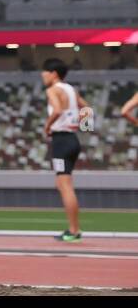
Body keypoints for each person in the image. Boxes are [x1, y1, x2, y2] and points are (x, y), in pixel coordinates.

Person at [42, 59, 89, 242]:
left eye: (45, 74)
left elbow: (58, 110)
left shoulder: (53, 90)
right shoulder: (71, 89)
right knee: (63, 184)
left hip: (61, 140)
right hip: (72, 138)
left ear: (53, 73)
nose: (44, 77)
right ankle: (74, 229)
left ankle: (74, 231)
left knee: (65, 186)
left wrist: (47, 127)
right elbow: (87, 107)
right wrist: (84, 129)